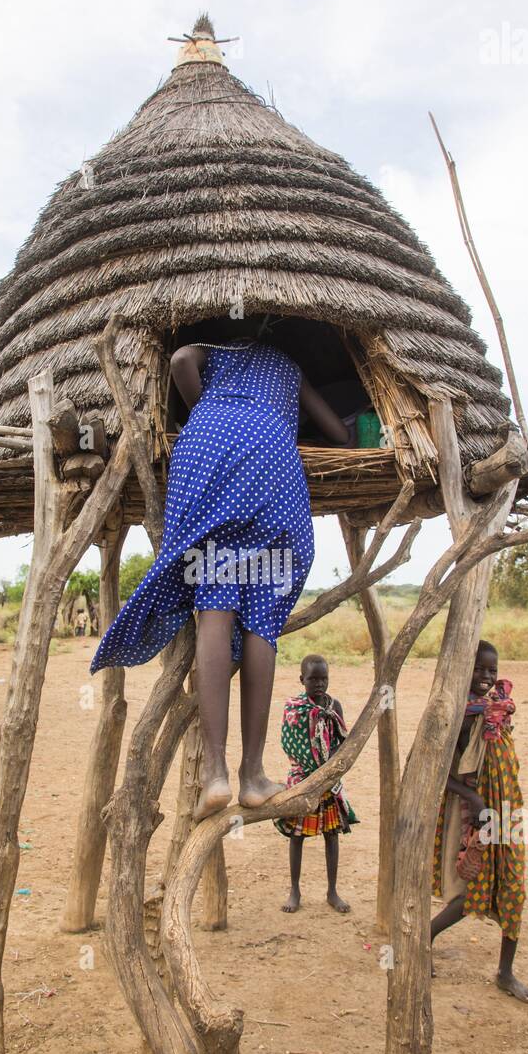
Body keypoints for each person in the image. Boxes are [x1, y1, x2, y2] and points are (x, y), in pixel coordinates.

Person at [89, 316, 349, 820]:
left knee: (214, 605)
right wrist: (298, 422)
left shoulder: (219, 353)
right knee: (262, 618)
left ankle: (215, 773)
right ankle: (253, 774)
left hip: (204, 448)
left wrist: (201, 407)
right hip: (271, 456)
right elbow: (339, 432)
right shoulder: (288, 368)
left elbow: (181, 359)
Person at [430, 640, 528, 1002]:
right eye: (478, 669)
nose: (486, 677)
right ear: (464, 668)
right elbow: (436, 771)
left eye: (491, 670)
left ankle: (505, 973)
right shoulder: (459, 716)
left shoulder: (498, 710)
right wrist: (473, 797)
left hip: (506, 814)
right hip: (476, 816)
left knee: (513, 889)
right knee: (471, 889)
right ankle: (424, 938)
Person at [276, 654, 358, 913]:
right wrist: (311, 769)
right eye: (313, 679)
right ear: (302, 680)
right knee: (296, 835)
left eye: (324, 679)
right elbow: (288, 742)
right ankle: (294, 890)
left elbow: (342, 741)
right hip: (303, 779)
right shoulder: (294, 708)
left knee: (331, 835)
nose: (319, 684)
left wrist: (330, 768)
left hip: (329, 780)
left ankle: (332, 891)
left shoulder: (335, 706)